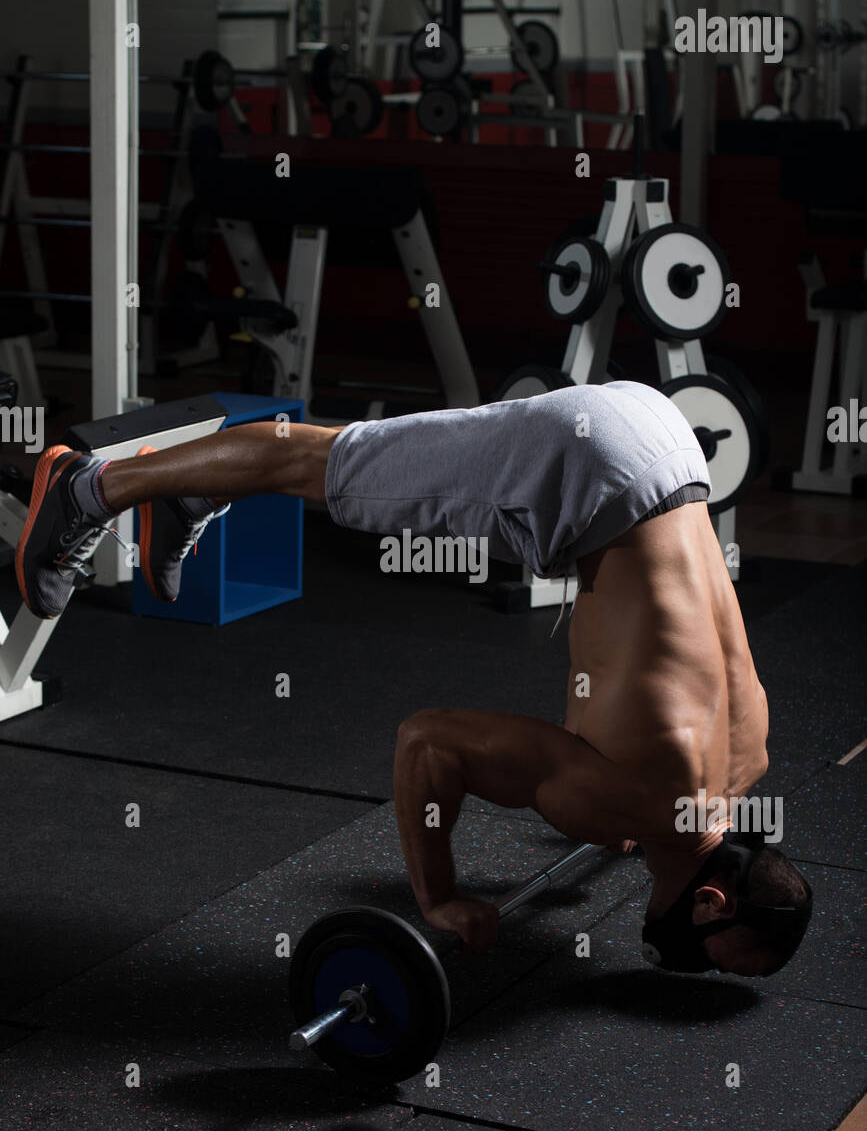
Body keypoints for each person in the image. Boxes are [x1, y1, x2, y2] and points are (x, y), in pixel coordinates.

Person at [15, 381, 812, 975]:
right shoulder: (625, 803)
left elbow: (649, 743)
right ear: (709, 904)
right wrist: (438, 897)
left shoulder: (744, 762)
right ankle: (86, 488)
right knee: (319, 462)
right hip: (585, 468)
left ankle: (189, 489)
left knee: (336, 469)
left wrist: (621, 813)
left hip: (659, 446)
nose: (692, 960)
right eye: (710, 957)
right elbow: (428, 741)